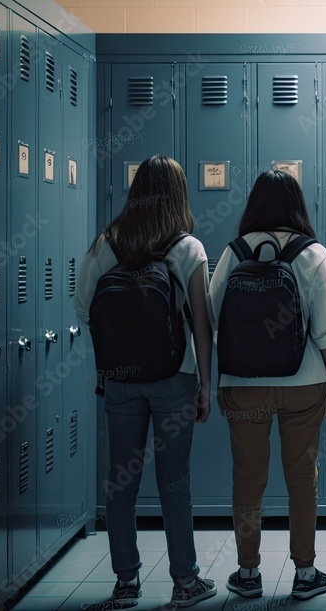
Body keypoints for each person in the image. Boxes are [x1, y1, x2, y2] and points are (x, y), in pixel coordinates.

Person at [74, 154, 216, 609]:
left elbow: (84, 307)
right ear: (178, 194)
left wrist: (124, 339)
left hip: (119, 381)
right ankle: (185, 581)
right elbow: (202, 325)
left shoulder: (106, 243)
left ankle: (126, 583)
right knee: (174, 481)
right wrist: (206, 386)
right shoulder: (188, 248)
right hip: (174, 377)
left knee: (121, 481)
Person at [208, 168, 326, 602]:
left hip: (243, 383)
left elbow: (212, 316)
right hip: (303, 383)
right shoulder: (313, 253)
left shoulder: (234, 252)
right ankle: (305, 573)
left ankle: (248, 572)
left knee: (248, 477)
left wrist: (217, 379)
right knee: (302, 477)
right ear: (297, 205)